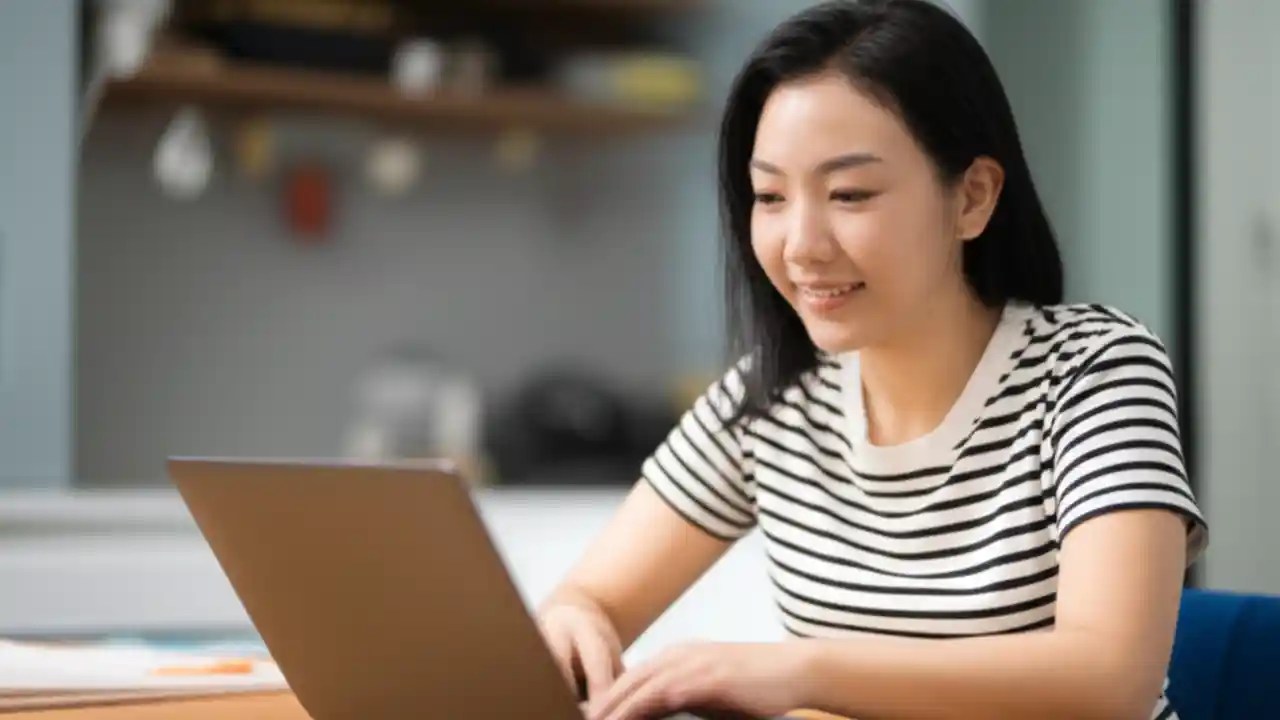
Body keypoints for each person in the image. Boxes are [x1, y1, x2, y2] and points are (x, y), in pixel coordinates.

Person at [536, 1, 1208, 718]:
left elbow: (1108, 676)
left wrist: (799, 672)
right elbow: (590, 599)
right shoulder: (773, 399)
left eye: (849, 194)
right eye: (769, 196)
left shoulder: (1094, 371)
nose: (801, 245)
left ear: (973, 198)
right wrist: (576, 619)